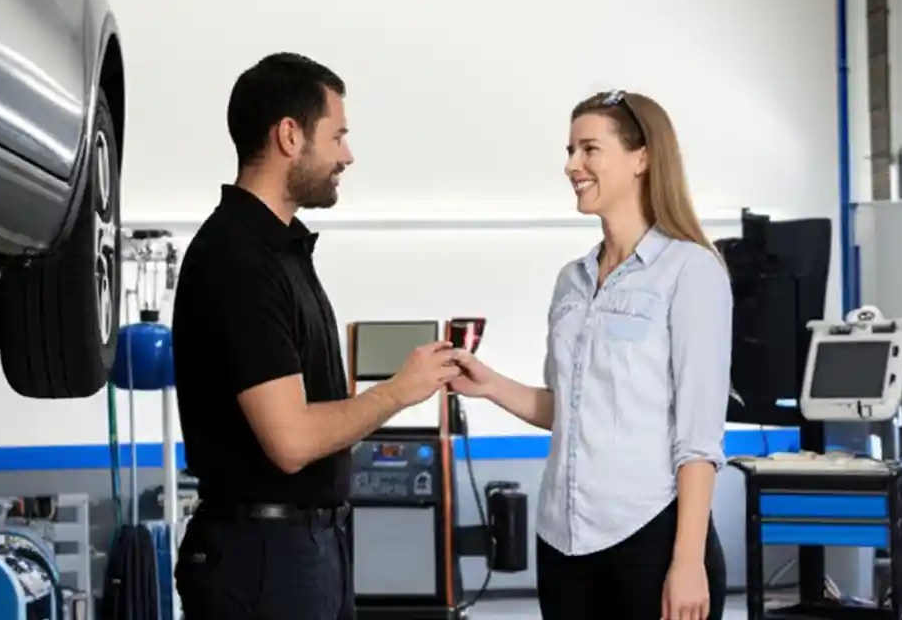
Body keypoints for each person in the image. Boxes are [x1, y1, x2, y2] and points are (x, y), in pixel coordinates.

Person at [170, 52, 461, 619]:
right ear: (289, 135)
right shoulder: (238, 259)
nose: (347, 155)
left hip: (304, 549)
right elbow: (292, 441)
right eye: (338, 136)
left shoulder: (283, 251)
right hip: (265, 563)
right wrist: (399, 391)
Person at [450, 89, 732, 620]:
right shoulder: (573, 280)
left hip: (649, 537)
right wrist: (489, 384)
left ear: (641, 158)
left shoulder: (690, 271)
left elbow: (698, 437)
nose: (571, 165)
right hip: (562, 542)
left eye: (589, 149)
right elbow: (571, 410)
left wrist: (688, 560)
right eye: (570, 151)